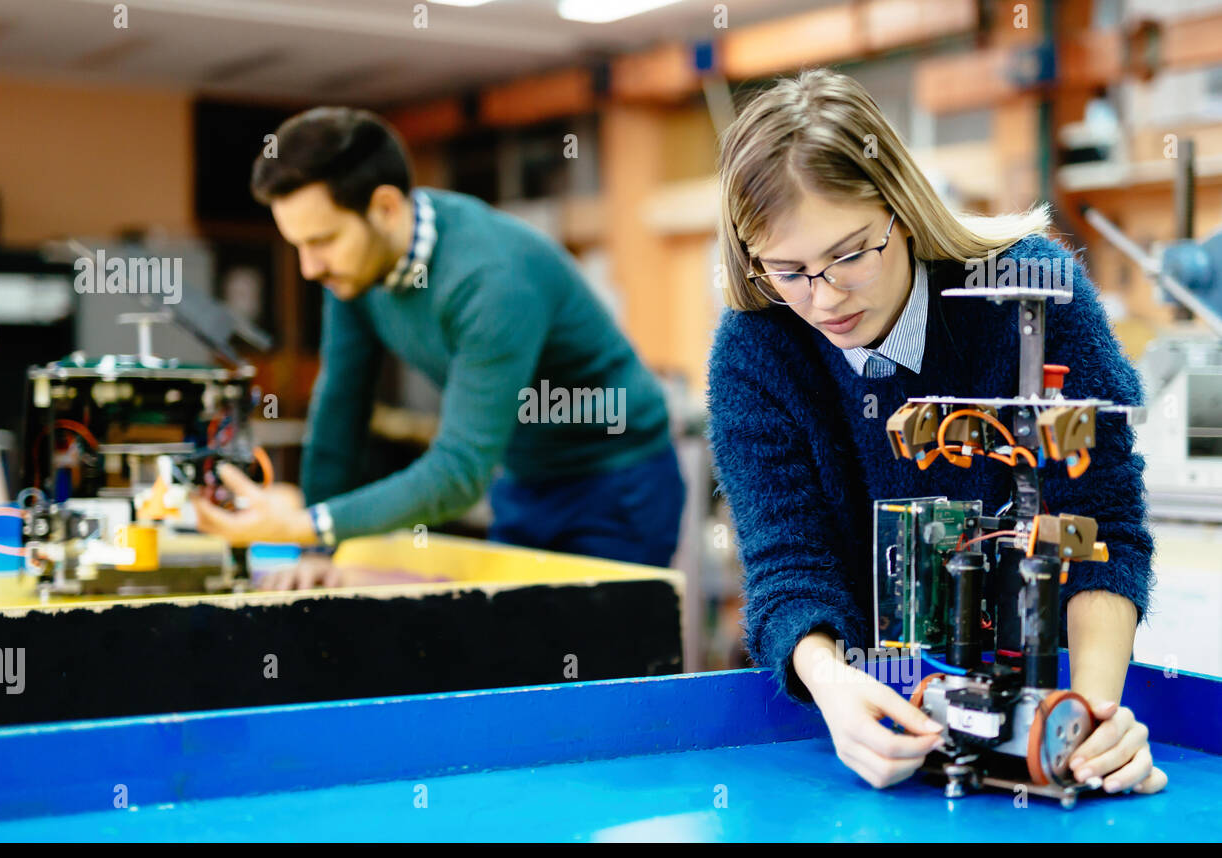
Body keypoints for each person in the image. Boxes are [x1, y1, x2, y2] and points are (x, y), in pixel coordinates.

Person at [707, 69, 1165, 794]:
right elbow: (788, 566)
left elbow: (1102, 522)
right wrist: (832, 686)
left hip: (1023, 719)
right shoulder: (756, 349)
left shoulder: (1030, 298)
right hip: (856, 731)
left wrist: (1095, 721)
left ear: (904, 209)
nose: (824, 298)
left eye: (851, 253)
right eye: (788, 270)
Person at [194, 107, 684, 586]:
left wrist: (305, 522)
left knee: (605, 653)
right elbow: (341, 402)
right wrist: (319, 547)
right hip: (522, 477)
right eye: (298, 245)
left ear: (384, 208)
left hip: (618, 479)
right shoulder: (354, 275)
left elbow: (458, 471)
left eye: (322, 240)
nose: (310, 267)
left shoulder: (487, 279)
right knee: (527, 654)